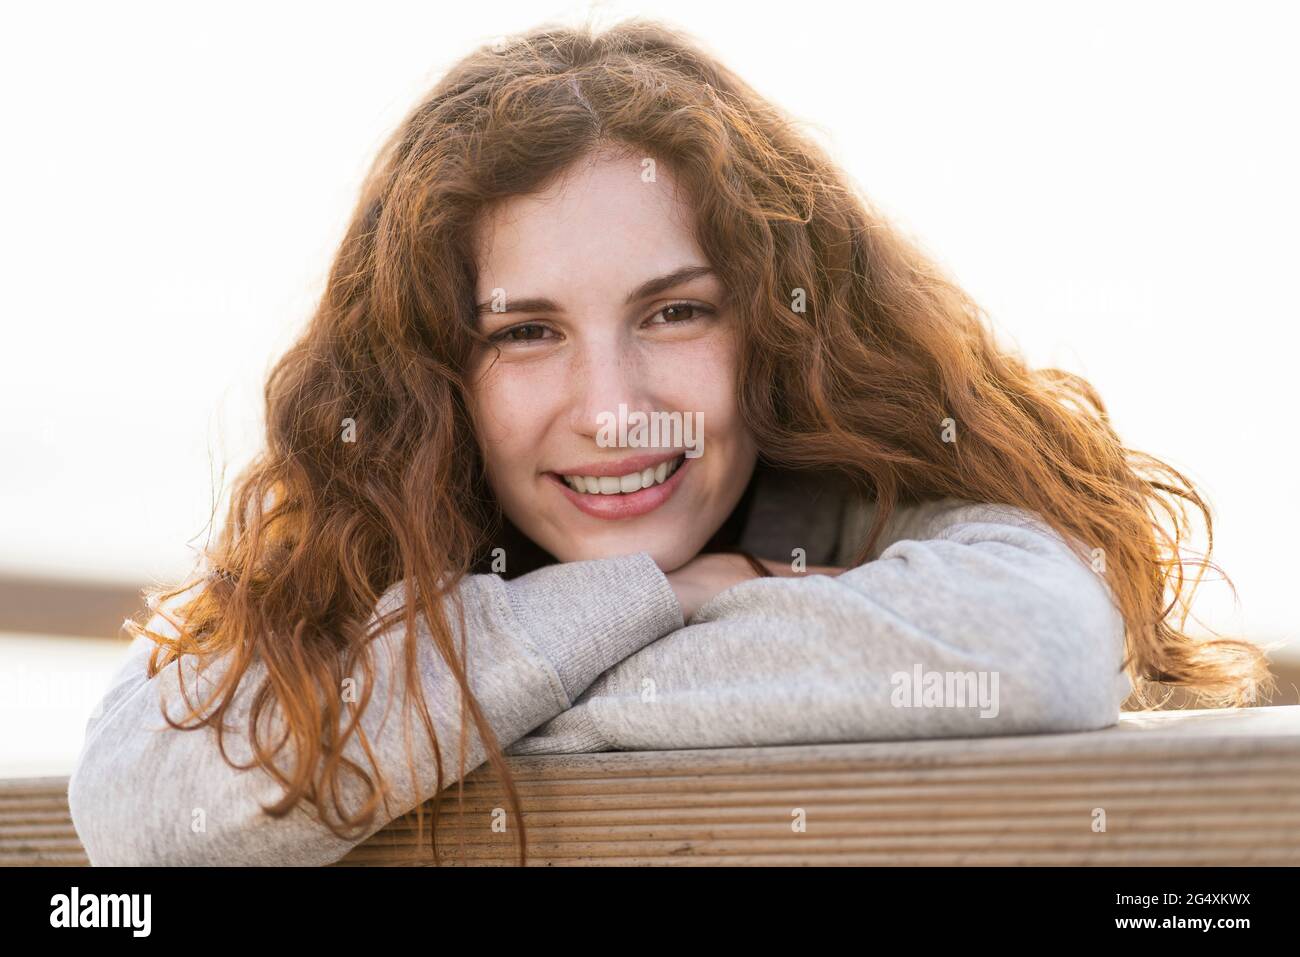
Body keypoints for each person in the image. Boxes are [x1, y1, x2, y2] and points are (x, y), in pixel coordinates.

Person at [67, 18, 1272, 866]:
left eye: (676, 311)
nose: (613, 407)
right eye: (525, 332)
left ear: (779, 327)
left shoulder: (878, 526)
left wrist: (462, 705)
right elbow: (138, 798)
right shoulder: (374, 555)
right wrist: (658, 594)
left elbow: (1033, 646)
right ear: (433, 375)